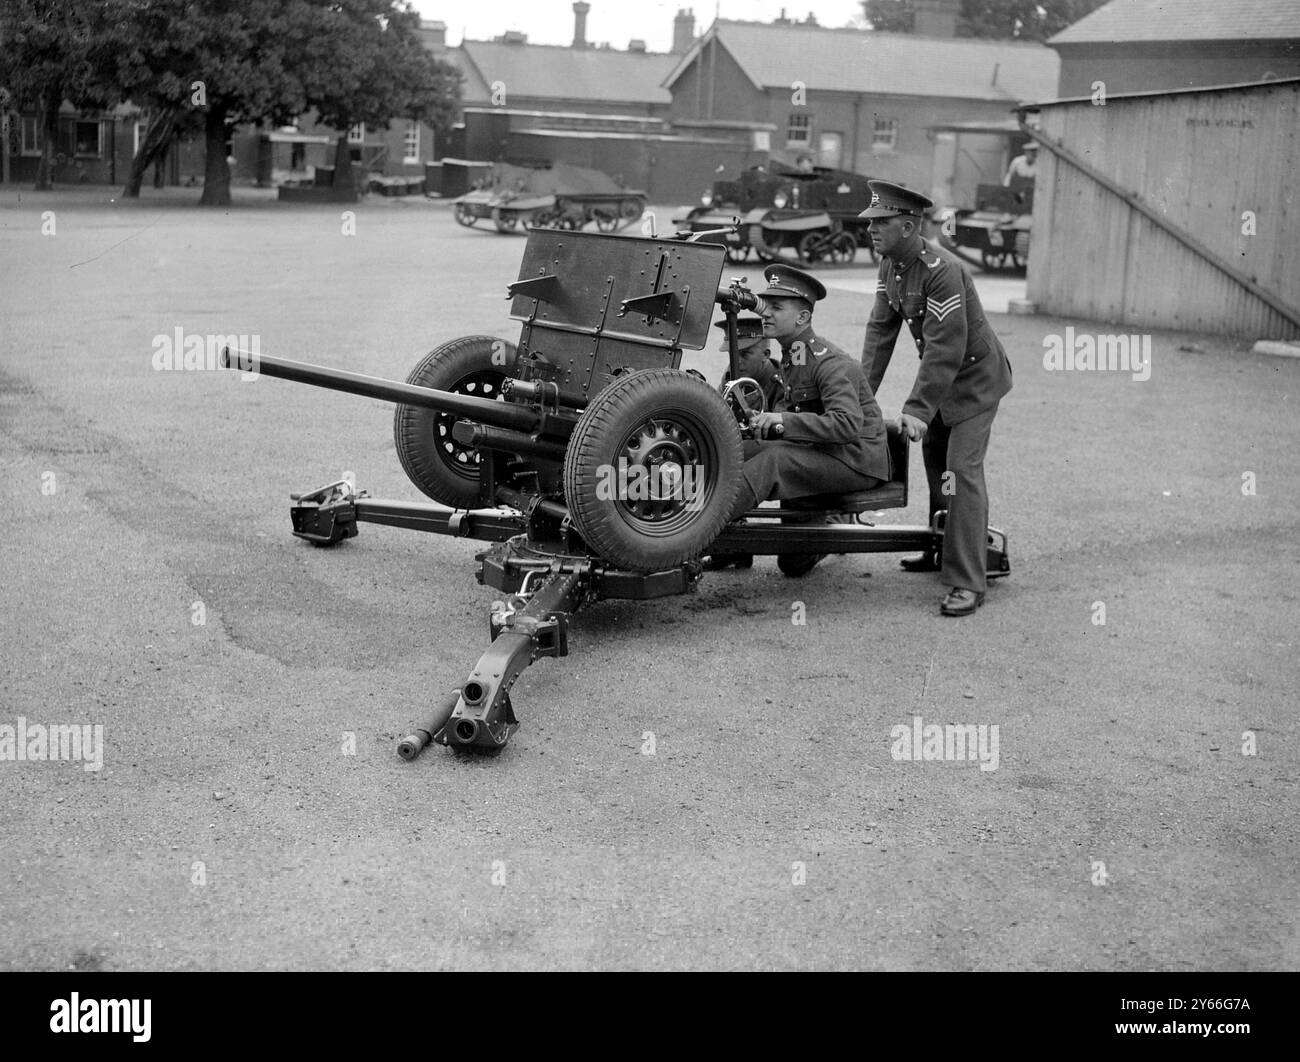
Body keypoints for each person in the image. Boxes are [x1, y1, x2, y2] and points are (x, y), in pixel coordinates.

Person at [859, 180, 1013, 617]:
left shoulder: (942, 269)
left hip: (975, 381)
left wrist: (916, 409)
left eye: (881, 222)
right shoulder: (890, 265)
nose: (870, 229)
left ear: (909, 226)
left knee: (960, 471)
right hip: (943, 379)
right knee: (935, 462)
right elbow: (879, 333)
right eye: (871, 221)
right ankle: (938, 547)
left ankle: (968, 580)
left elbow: (946, 347)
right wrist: (859, 398)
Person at [707, 264, 890, 576]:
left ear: (803, 318)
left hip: (856, 459)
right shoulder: (792, 356)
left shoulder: (830, 362)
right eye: (767, 305)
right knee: (793, 564)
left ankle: (696, 528)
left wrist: (782, 422)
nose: (766, 313)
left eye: (777, 308)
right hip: (822, 451)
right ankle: (723, 538)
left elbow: (846, 425)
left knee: (774, 460)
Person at [715, 315, 786, 412]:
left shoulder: (782, 385)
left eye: (745, 354)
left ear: (765, 355)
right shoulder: (730, 376)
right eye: (732, 355)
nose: (737, 361)